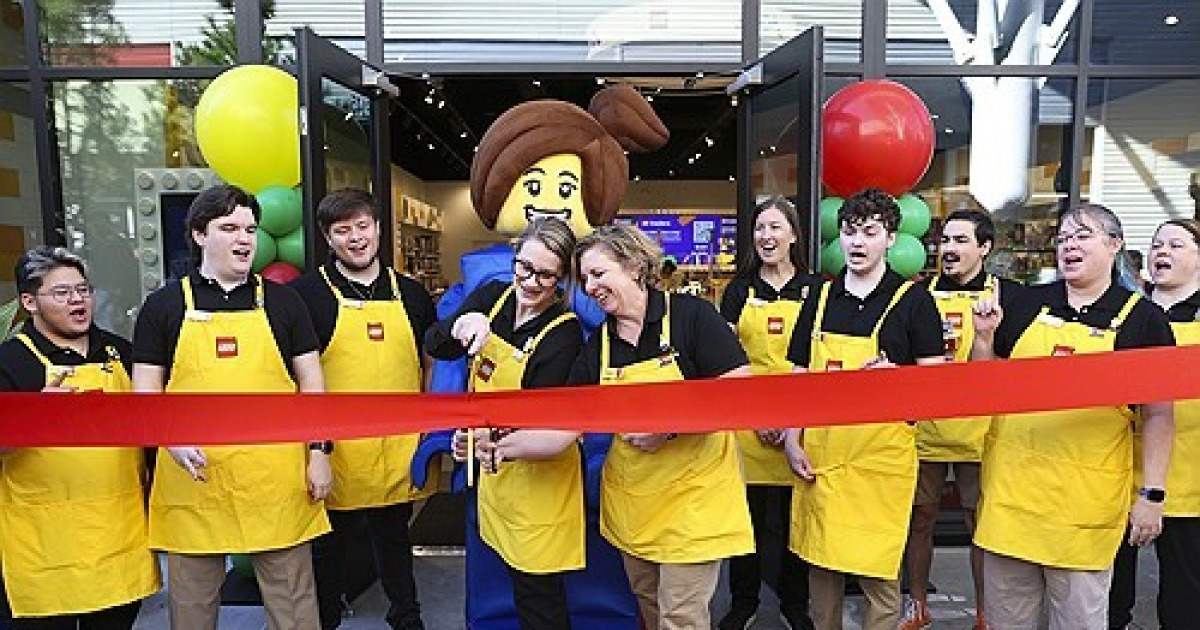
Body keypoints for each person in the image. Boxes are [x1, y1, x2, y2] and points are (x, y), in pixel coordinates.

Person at [131, 184, 331, 630]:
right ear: (200, 234)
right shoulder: (163, 305)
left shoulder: (284, 301)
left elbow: (313, 383)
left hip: (276, 479)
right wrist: (172, 441)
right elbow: (145, 392)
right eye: (229, 228)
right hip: (193, 479)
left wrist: (319, 452)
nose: (245, 239)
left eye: (250, 229)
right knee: (191, 610)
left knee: (295, 607)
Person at [970, 202, 1174, 629]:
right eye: (1063, 237)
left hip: (1083, 510)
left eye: (1082, 235)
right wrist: (984, 337)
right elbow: (982, 386)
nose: (1069, 244)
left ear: (1114, 245)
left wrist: (1151, 496)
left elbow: (1157, 415)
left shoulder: (1143, 320)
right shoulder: (1025, 304)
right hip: (1012, 501)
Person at [568, 223, 754, 630]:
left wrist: (667, 430)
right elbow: (565, 413)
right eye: (584, 279)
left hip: (694, 499)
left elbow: (738, 391)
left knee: (681, 617)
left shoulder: (691, 317)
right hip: (634, 499)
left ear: (635, 265)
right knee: (649, 607)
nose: (590, 286)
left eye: (598, 273)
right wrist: (495, 433)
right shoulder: (599, 343)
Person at [783, 188, 945, 630]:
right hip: (821, 456)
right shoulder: (818, 298)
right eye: (850, 232)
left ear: (891, 239)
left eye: (870, 232)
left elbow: (937, 386)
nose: (857, 242)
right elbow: (799, 377)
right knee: (822, 570)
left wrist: (898, 377)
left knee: (878, 577)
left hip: (879, 463)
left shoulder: (913, 301)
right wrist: (791, 440)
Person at [288, 188, 438, 630]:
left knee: (396, 540)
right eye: (342, 230)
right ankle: (325, 622)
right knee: (328, 550)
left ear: (377, 229)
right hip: (335, 452)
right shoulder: (305, 296)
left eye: (362, 226)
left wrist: (429, 426)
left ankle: (407, 619)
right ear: (327, 238)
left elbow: (429, 362)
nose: (355, 238)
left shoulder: (411, 294)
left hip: (396, 450)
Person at [426, 217, 585, 630]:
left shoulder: (562, 335)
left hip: (539, 483)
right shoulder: (493, 296)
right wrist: (462, 325)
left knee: (540, 597)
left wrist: (478, 439)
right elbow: (435, 343)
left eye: (546, 274)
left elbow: (538, 422)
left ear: (563, 277)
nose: (530, 282)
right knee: (514, 583)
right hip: (496, 478)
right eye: (523, 267)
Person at [0, 246, 159, 628]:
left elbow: (151, 423)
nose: (78, 301)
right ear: (29, 302)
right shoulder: (10, 362)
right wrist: (34, 417)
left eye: (83, 290)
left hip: (119, 534)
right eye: (62, 293)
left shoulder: (119, 352)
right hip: (45, 543)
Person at [900, 209, 1026, 630]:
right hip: (927, 427)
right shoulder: (917, 294)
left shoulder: (1010, 295)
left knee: (980, 522)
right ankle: (916, 603)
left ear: (985, 248)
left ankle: (986, 612)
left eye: (960, 241)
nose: (948, 250)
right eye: (945, 241)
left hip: (983, 429)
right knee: (921, 517)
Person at [717, 196, 816, 630]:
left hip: (800, 422)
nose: (766, 236)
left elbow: (815, 357)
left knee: (798, 519)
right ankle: (744, 601)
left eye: (776, 227)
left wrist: (789, 421)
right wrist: (757, 417)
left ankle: (796, 604)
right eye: (760, 228)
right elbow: (725, 354)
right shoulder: (739, 290)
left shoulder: (816, 289)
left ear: (793, 235)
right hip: (748, 421)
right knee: (747, 520)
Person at [1108, 218, 1200, 629]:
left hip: (1190, 481)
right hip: (1117, 478)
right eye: (1157, 244)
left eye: (1175, 245)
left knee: (1185, 598)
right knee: (1110, 595)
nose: (1161, 251)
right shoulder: (1127, 313)